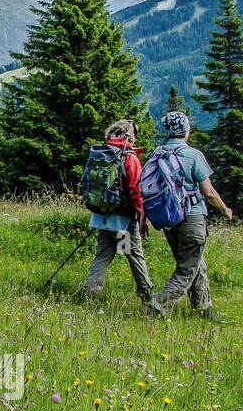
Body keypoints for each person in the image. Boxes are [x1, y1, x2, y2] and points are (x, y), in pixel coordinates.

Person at [149, 110, 233, 318]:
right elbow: (208, 191)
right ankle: (158, 304)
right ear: (186, 131)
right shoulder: (193, 155)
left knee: (196, 263)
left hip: (169, 219)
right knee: (187, 268)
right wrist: (224, 209)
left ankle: (204, 308)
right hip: (192, 217)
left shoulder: (157, 154)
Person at [81, 119, 153, 305]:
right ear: (129, 135)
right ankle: (147, 298)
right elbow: (137, 192)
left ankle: (89, 294)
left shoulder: (100, 153)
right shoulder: (128, 157)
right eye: (135, 134)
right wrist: (141, 218)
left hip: (101, 216)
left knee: (104, 254)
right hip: (122, 220)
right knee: (134, 256)